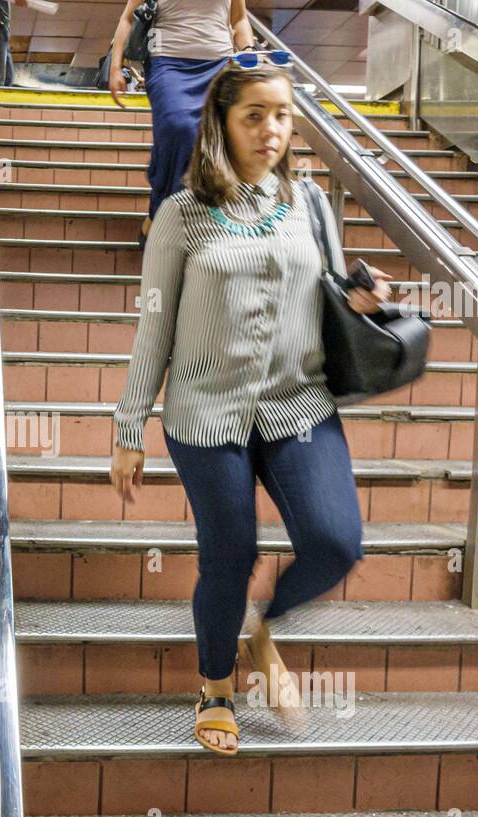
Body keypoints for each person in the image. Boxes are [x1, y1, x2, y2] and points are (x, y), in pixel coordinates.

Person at [108, 58, 392, 756]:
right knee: (228, 557)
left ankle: (263, 631)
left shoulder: (311, 205)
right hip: (207, 415)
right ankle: (215, 686)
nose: (272, 130)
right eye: (254, 116)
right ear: (222, 125)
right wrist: (128, 427)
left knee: (335, 542)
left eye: (283, 115)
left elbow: (328, 290)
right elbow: (155, 324)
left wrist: (361, 296)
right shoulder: (180, 216)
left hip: (299, 404)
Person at [107, 0, 254, 246]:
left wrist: (248, 51)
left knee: (214, 138)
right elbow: (127, 18)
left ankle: (201, 217)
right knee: (179, 128)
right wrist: (114, 67)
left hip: (218, 63)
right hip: (168, 62)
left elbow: (239, 19)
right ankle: (161, 209)